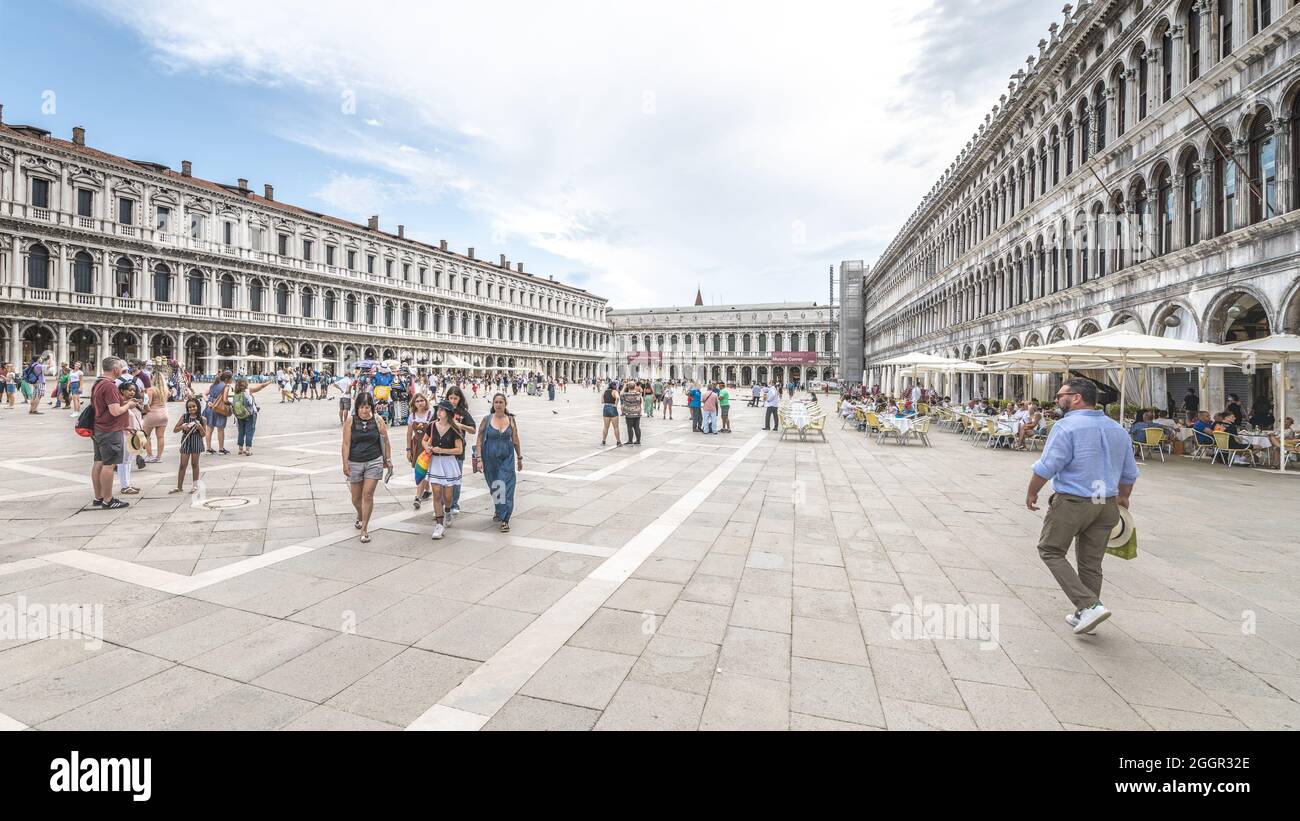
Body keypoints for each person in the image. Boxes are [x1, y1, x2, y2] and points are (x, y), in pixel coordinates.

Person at [1025, 378, 1138, 636]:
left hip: (1074, 501)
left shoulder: (1066, 427)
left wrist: (1032, 491)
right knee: (1090, 563)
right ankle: (1085, 616)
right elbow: (1130, 473)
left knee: (1050, 550)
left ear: (1076, 397)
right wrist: (1123, 498)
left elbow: (1047, 466)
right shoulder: (1117, 428)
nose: (1056, 399)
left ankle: (1089, 605)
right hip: (1105, 503)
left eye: (1060, 395)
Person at [89, 357, 139, 510]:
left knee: (98, 462)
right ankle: (108, 500)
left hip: (99, 428)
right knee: (108, 465)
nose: (122, 370)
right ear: (115, 369)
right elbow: (115, 411)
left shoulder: (97, 383)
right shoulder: (110, 386)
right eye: (121, 368)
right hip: (110, 431)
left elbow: (105, 408)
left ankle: (99, 497)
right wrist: (129, 405)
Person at [341, 393, 391, 544]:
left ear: (372, 407)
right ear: (357, 407)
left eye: (367, 407)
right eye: (362, 407)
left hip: (374, 461)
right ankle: (360, 514)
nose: (364, 410)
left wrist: (387, 459)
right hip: (355, 461)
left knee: (367, 495)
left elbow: (386, 441)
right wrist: (345, 463)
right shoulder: (350, 421)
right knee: (356, 498)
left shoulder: (378, 420)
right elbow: (345, 444)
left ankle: (364, 529)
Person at [477, 392, 523, 532]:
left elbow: (515, 439)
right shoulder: (487, 419)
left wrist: (519, 458)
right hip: (489, 457)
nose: (498, 405)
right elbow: (479, 439)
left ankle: (505, 518)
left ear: (505, 404)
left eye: (500, 402)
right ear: (493, 404)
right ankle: (499, 508)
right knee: (495, 486)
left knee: (507, 486)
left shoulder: (511, 419)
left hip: (507, 457)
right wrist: (479, 459)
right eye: (495, 402)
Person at [425, 401, 464, 540]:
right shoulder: (431, 426)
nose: (439, 412)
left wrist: (443, 450)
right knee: (436, 494)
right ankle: (439, 524)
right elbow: (424, 440)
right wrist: (427, 447)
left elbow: (459, 450)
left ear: (448, 413)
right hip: (435, 462)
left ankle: (447, 511)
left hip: (449, 463)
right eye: (438, 410)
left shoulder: (454, 429)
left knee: (447, 497)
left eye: (442, 410)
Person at [443, 385, 476, 516]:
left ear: (460, 399)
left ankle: (454, 503)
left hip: (458, 450)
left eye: (455, 398)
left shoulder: (463, 413)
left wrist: (460, 425)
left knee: (456, 479)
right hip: (443, 449)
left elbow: (473, 429)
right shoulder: (442, 410)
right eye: (450, 398)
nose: (452, 401)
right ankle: (442, 504)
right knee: (442, 479)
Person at [114, 379, 145, 495]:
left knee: (128, 460)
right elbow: (118, 420)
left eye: (134, 390)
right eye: (129, 390)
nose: (132, 392)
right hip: (124, 435)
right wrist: (127, 429)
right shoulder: (121, 404)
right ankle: (125, 486)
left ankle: (127, 484)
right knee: (123, 461)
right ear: (122, 391)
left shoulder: (128, 403)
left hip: (131, 435)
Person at [171, 396, 207, 493]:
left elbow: (204, 434)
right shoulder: (184, 417)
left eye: (194, 406)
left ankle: (195, 486)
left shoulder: (202, 419)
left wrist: (200, 427)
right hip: (186, 441)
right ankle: (179, 487)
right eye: (189, 407)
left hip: (196, 441)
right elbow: (175, 429)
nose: (191, 409)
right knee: (182, 465)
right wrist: (182, 427)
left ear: (198, 407)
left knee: (195, 464)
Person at [231, 377, 273, 456]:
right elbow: (261, 386)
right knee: (249, 431)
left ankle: (240, 449)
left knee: (241, 431)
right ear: (246, 384)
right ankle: (248, 450)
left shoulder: (236, 392)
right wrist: (269, 382)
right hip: (250, 414)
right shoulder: (248, 391)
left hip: (240, 414)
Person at [406, 393, 434, 509]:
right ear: (414, 403)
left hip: (428, 446)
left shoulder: (431, 415)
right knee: (420, 470)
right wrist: (408, 449)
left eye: (421, 400)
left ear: (425, 401)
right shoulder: (412, 416)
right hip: (416, 445)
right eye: (417, 401)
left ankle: (418, 497)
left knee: (424, 470)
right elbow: (408, 434)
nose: (419, 403)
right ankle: (426, 490)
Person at [203, 371, 233, 454]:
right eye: (231, 378)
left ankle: (208, 449)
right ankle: (221, 449)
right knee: (220, 429)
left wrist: (208, 401)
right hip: (219, 408)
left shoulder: (213, 385)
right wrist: (231, 404)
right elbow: (225, 399)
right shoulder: (226, 386)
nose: (232, 380)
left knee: (209, 428)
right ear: (227, 379)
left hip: (210, 407)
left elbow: (204, 394)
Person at [141, 381, 169, 464]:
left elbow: (148, 404)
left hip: (152, 414)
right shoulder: (165, 390)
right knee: (160, 437)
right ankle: (159, 457)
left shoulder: (151, 390)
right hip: (164, 414)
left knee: (146, 436)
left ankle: (150, 456)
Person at [600, 381, 622, 446]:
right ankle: (618, 442)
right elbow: (617, 397)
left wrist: (604, 401)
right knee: (616, 427)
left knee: (606, 427)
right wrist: (615, 404)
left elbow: (602, 401)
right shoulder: (614, 391)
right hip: (612, 408)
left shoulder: (605, 391)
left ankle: (603, 441)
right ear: (614, 386)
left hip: (606, 407)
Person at [621, 380, 643, 445]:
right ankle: (638, 441)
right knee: (637, 427)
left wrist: (624, 386)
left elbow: (621, 394)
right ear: (634, 386)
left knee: (629, 427)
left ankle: (630, 440)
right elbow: (641, 401)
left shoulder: (626, 394)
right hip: (637, 412)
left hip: (629, 413)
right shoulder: (638, 394)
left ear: (628, 387)